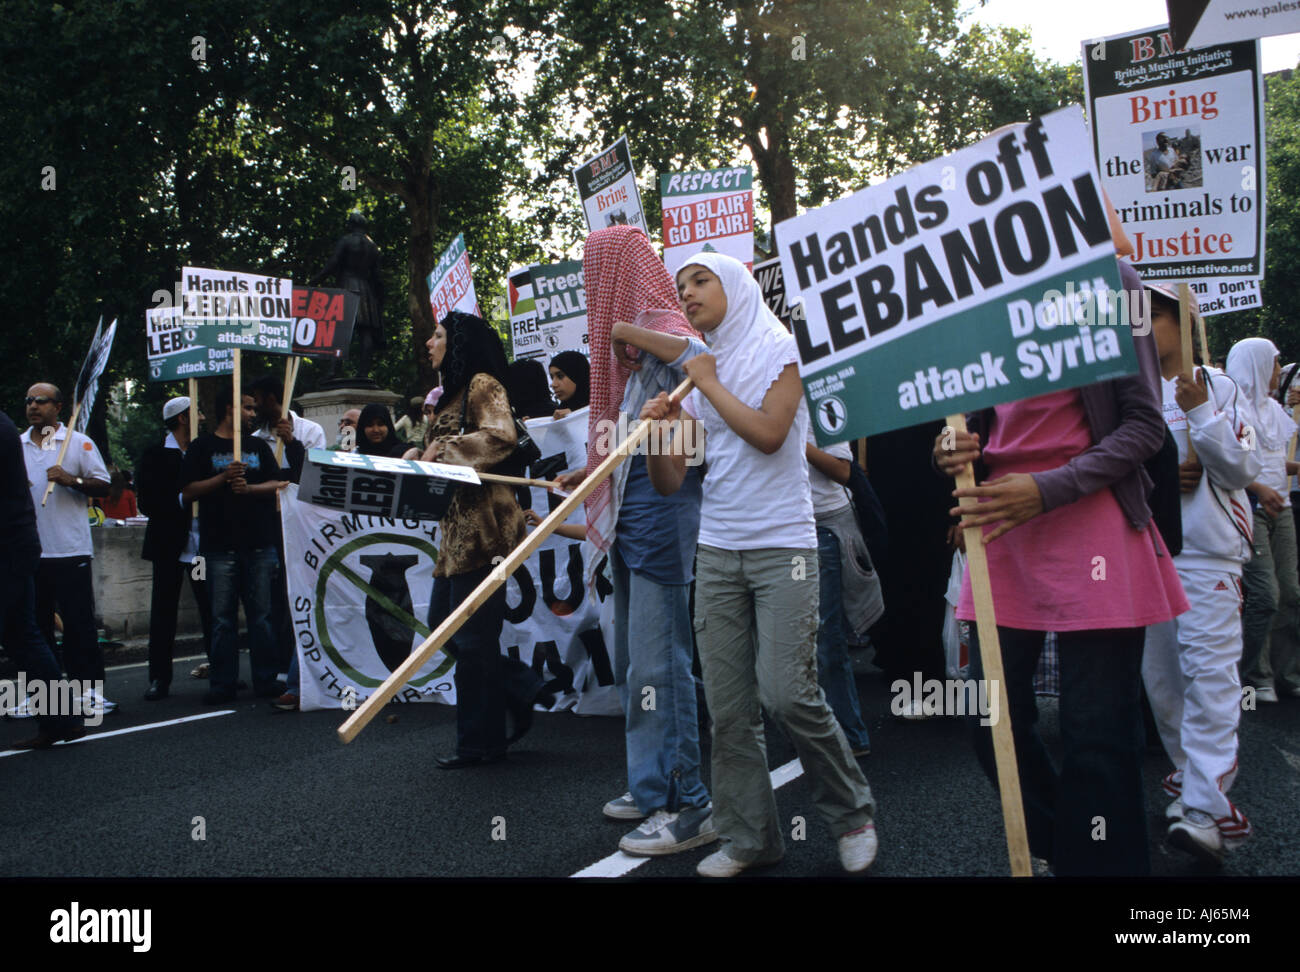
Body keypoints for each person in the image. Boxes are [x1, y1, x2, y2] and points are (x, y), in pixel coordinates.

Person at [933, 260, 1188, 877]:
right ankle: (1063, 845)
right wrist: (949, 446)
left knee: (1096, 736)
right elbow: (972, 423)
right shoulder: (979, 290)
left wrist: (1048, 488)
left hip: (1093, 525)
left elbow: (1146, 424)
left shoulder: (1110, 281)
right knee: (991, 722)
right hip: (1001, 529)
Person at [640, 252, 877, 877]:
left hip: (786, 549)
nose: (687, 293)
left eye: (700, 281)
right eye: (680, 285)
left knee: (788, 694)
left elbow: (773, 434)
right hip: (718, 549)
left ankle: (852, 812)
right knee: (730, 706)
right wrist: (661, 432)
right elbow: (671, 481)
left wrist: (707, 382)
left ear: (736, 286)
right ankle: (749, 838)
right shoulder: (699, 369)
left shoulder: (779, 348)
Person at [556, 224, 715, 857]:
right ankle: (650, 784)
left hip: (662, 520)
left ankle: (685, 801)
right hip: (631, 518)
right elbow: (625, 444)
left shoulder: (665, 339)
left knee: (659, 660)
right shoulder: (629, 371)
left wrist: (625, 330)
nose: (596, 291)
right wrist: (589, 470)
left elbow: (694, 353)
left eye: (601, 273)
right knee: (633, 661)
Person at [1141, 285, 1259, 865]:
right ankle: (1189, 785)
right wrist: (1162, 478)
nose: (1141, 322)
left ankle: (1207, 808)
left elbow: (1241, 467)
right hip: (1147, 554)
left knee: (1210, 680)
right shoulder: (1126, 389)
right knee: (1163, 684)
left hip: (1209, 555)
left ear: (1184, 322)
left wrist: (1201, 414)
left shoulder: (1219, 386)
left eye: (1155, 314)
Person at [421, 310, 551, 768]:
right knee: (446, 624)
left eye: (436, 336)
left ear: (456, 344)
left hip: (487, 527)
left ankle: (479, 743)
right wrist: (420, 456)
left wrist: (446, 452)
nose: (429, 344)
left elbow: (501, 436)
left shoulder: (482, 384)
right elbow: (434, 457)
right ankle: (521, 684)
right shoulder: (448, 395)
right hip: (454, 532)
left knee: (473, 639)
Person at [181, 385, 302, 703]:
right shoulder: (201, 447)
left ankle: (265, 679)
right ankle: (223, 683)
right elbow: (188, 491)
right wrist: (222, 479)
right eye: (246, 408)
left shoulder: (259, 447)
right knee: (222, 619)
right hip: (218, 545)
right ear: (228, 410)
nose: (252, 413)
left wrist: (249, 489)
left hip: (259, 544)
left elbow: (279, 482)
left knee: (261, 617)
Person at [21, 382, 114, 715]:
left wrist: (72, 481)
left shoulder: (78, 443)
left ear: (58, 407)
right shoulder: (17, 446)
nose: (33, 406)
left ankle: (89, 692)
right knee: (35, 626)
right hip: (31, 552)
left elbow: (103, 485)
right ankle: (43, 697)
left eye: (41, 401)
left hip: (70, 550)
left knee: (78, 625)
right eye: (29, 401)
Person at [1, 407, 86, 748]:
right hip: (16, 542)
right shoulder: (6, 426)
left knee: (24, 636)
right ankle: (61, 720)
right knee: (24, 636)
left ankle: (61, 719)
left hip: (7, 546)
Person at [1228, 338, 1300, 703]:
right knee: (1265, 596)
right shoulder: (1234, 411)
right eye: (1273, 364)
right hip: (1252, 509)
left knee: (1292, 593)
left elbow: (1273, 461)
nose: (1277, 371)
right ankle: (1255, 676)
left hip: (1281, 509)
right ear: (1256, 365)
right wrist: (1261, 489)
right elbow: (1234, 465)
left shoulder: (1272, 411)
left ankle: (1287, 673)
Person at [250, 373, 327, 676]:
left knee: (300, 591)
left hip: (303, 528)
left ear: (272, 399)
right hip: (269, 527)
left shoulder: (311, 430)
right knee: (274, 595)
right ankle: (280, 663)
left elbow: (315, 475)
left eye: (257, 398)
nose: (254, 406)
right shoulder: (255, 441)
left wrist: (292, 443)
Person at [137, 396, 213, 701]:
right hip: (170, 545)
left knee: (210, 607)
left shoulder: (203, 451)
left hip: (200, 547)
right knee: (164, 612)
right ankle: (159, 678)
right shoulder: (155, 455)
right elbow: (148, 503)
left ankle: (221, 669)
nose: (203, 417)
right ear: (182, 418)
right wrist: (184, 499)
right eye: (197, 412)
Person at [806, 426, 874, 755]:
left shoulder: (814, 391)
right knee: (793, 639)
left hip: (821, 526)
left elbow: (843, 470)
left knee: (825, 639)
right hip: (775, 529)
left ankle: (847, 734)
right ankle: (812, 730)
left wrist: (790, 439)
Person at [549, 350, 590, 419]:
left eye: (560, 376)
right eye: (552, 377)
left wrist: (575, 416)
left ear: (578, 376)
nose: (553, 384)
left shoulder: (603, 408)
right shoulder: (558, 413)